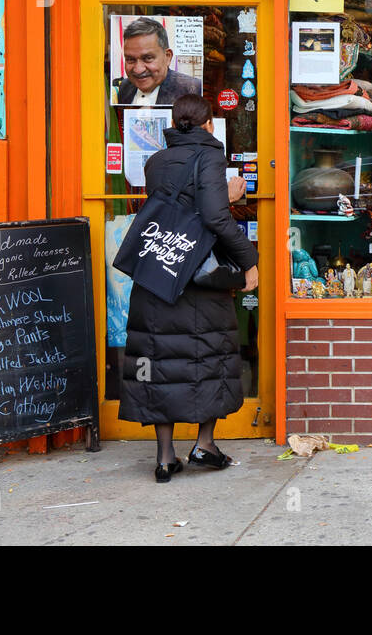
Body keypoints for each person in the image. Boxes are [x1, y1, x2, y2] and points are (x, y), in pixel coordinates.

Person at [118, 94, 260, 483]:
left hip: (156, 275)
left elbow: (176, 211)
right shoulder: (210, 156)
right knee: (207, 358)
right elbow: (212, 216)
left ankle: (165, 457)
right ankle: (204, 444)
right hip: (198, 279)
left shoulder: (155, 161)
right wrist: (249, 257)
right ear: (209, 125)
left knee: (158, 361)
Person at [115, 17, 203, 105]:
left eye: (148, 58)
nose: (138, 69)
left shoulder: (192, 89)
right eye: (130, 59)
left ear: (167, 57)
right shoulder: (124, 87)